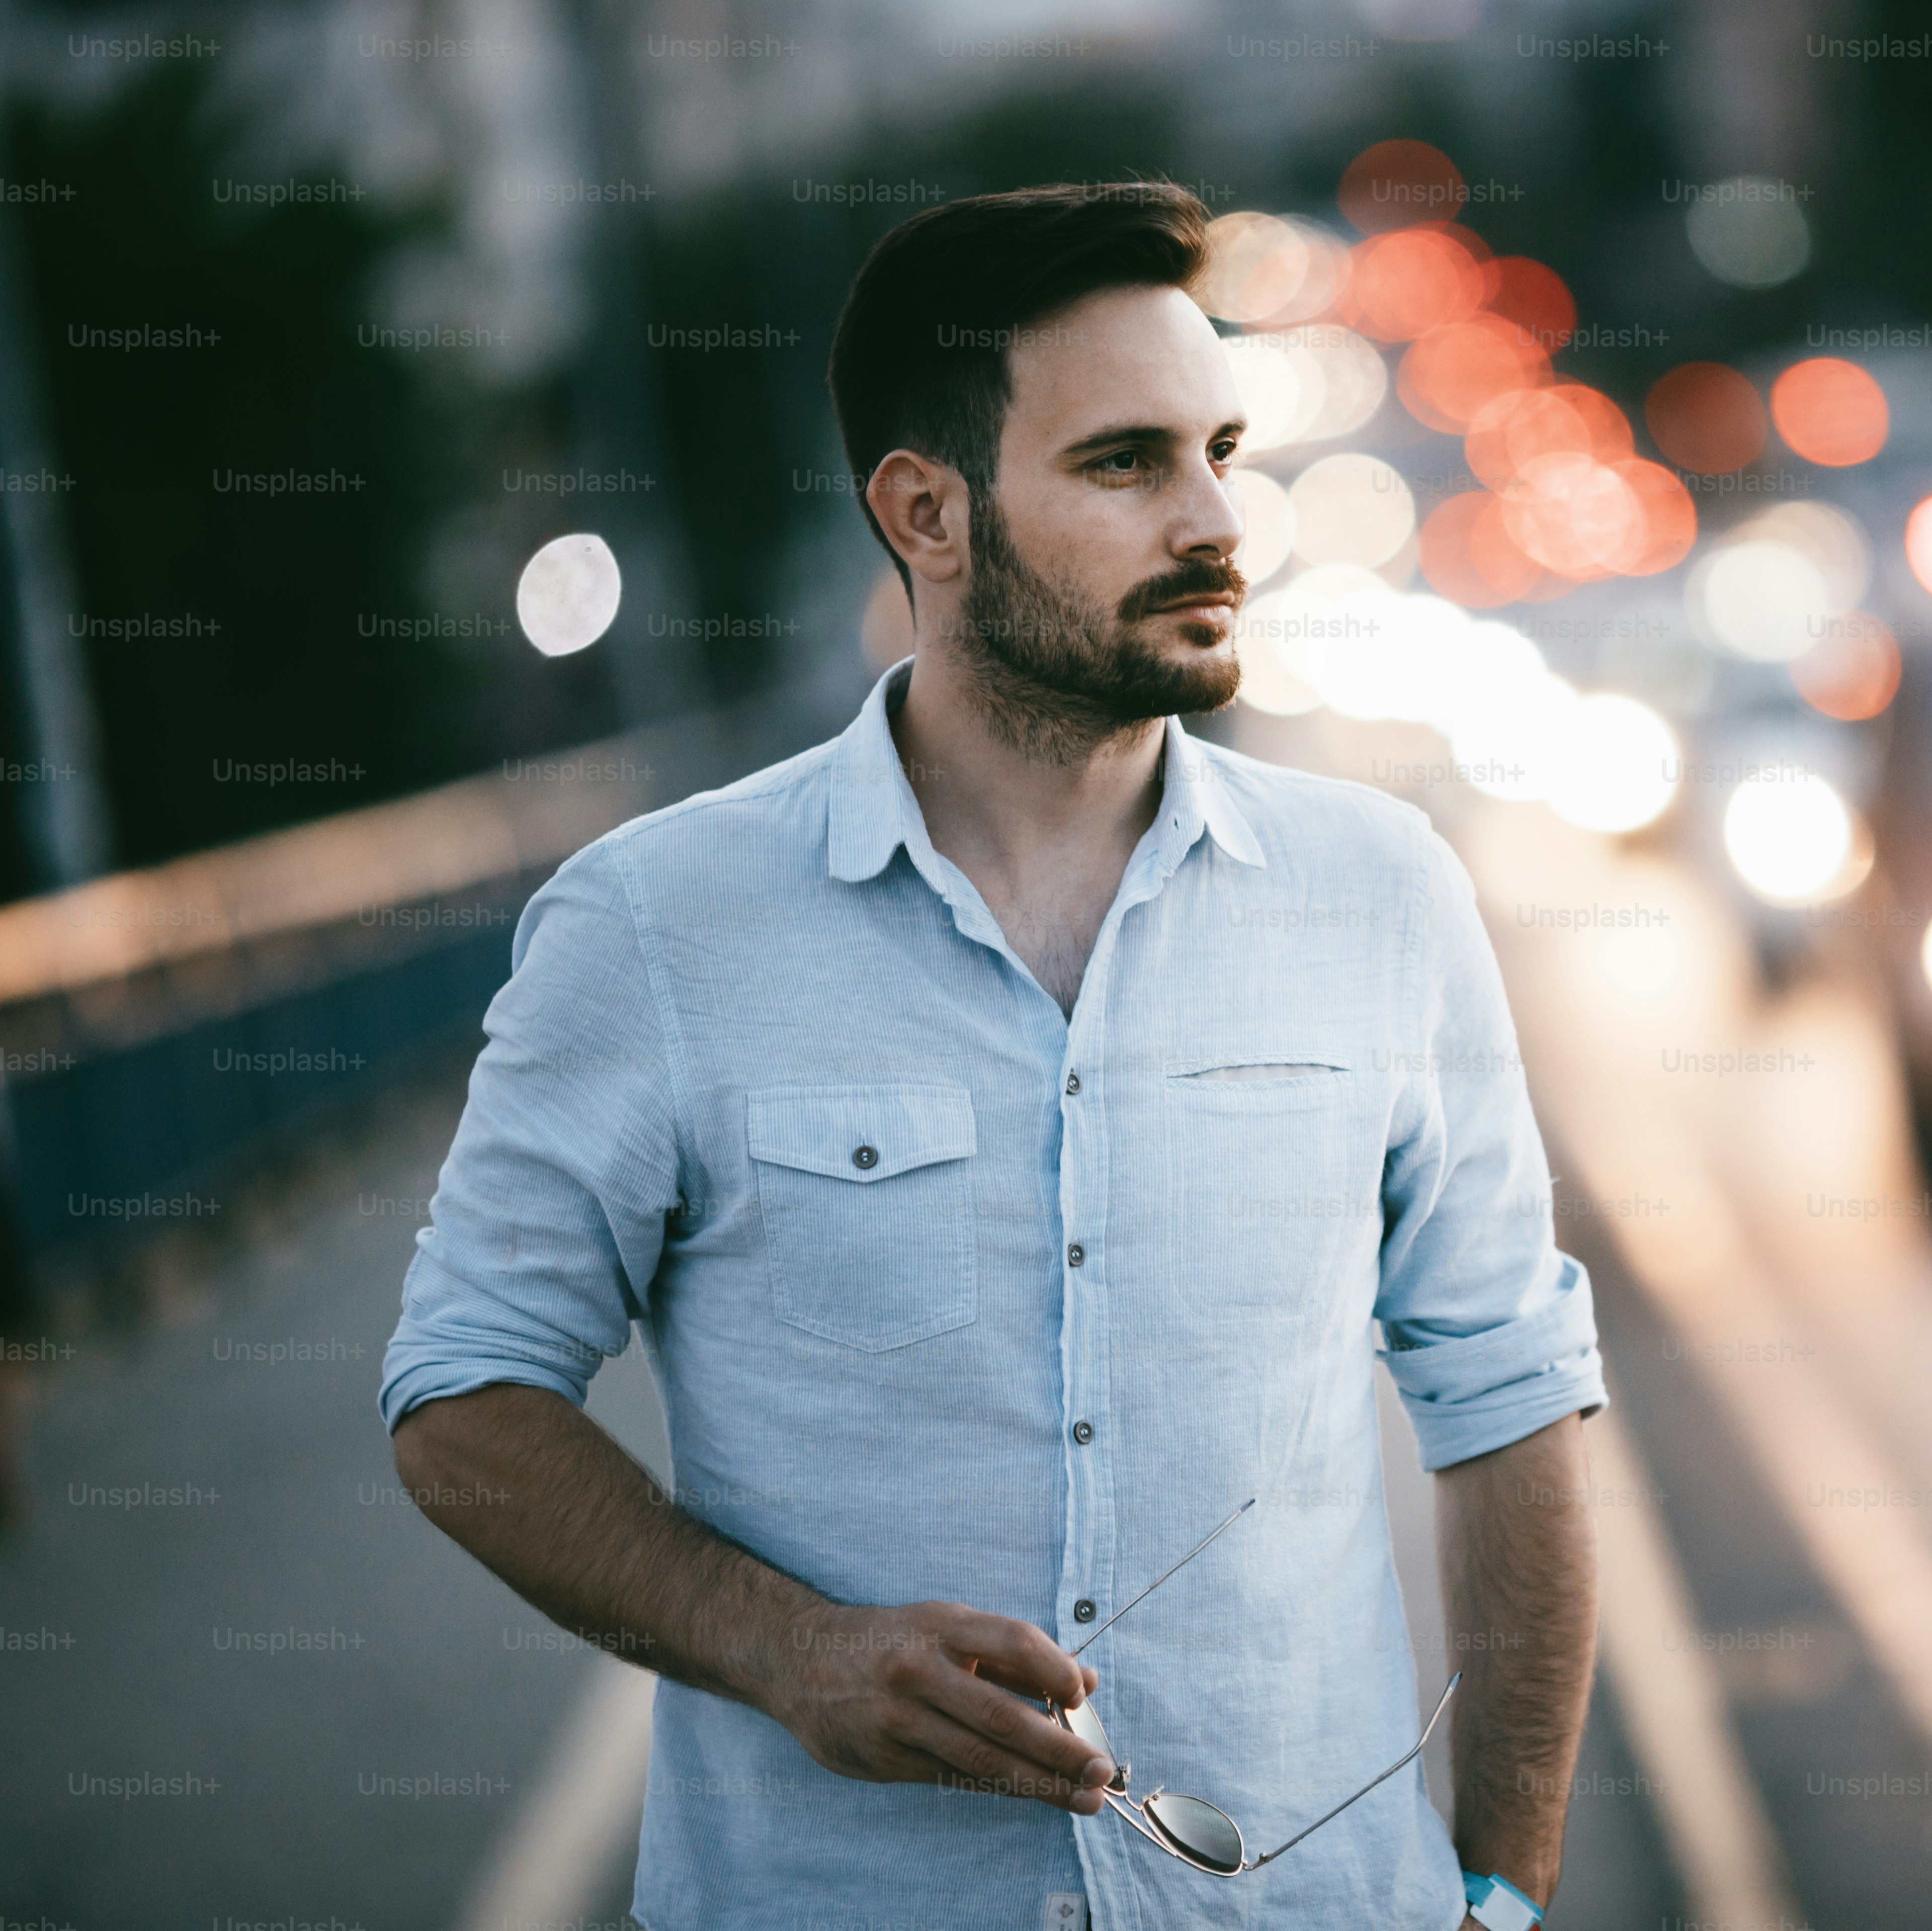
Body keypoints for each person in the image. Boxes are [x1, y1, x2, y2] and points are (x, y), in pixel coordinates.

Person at [377, 181, 1603, 1930]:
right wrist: (788, 1649)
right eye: (1124, 464)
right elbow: (463, 1395)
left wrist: (1507, 1897)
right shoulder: (656, 927)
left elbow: (1512, 1398)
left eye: (1218, 452)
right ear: (927, 513)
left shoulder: (1382, 893)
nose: (1214, 522)